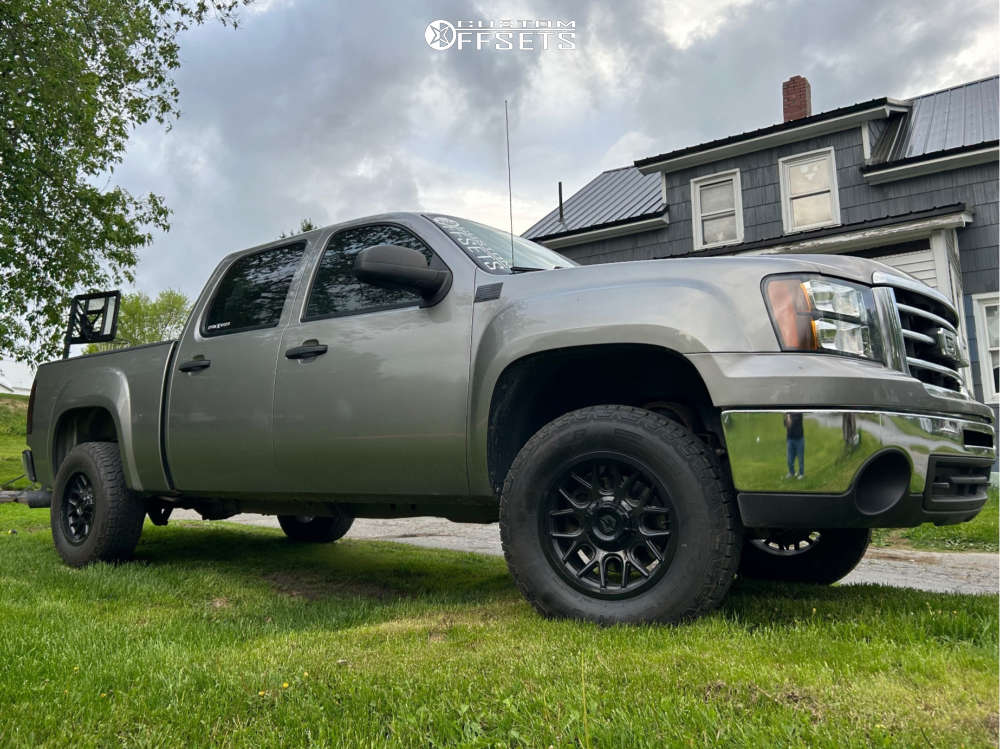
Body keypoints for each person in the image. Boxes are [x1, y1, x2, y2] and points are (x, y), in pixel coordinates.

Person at [784, 412, 804, 479]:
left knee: (800, 459)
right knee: (789, 459)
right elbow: (785, 425)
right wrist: (787, 417)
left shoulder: (798, 412)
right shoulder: (787, 414)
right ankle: (791, 472)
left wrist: (788, 416)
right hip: (790, 439)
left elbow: (792, 424)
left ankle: (801, 473)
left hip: (799, 439)